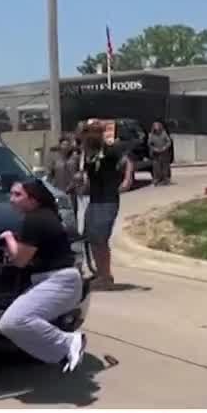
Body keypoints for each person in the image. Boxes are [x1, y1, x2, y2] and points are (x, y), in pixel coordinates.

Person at [0, 179, 88, 372]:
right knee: (12, 324)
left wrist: (8, 238)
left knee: (12, 322)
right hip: (58, 282)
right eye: (11, 194)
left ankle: (69, 341)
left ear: (34, 199)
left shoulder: (34, 219)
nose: (11, 199)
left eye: (18, 195)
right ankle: (65, 353)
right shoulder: (45, 216)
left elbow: (20, 260)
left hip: (59, 282)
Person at [79, 120, 133, 288]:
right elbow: (87, 173)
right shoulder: (87, 152)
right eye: (88, 132)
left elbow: (127, 162)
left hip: (108, 199)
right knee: (91, 237)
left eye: (95, 132)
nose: (91, 135)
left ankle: (106, 276)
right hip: (94, 199)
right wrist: (82, 184)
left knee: (101, 238)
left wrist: (127, 179)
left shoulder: (111, 149)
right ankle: (100, 273)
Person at [147, 121, 173, 186]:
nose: (157, 129)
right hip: (156, 154)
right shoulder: (152, 135)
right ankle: (157, 179)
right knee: (156, 167)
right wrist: (154, 149)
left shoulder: (164, 133)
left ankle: (166, 179)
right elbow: (149, 144)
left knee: (165, 166)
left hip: (164, 153)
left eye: (157, 126)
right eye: (155, 127)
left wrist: (164, 147)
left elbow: (169, 142)